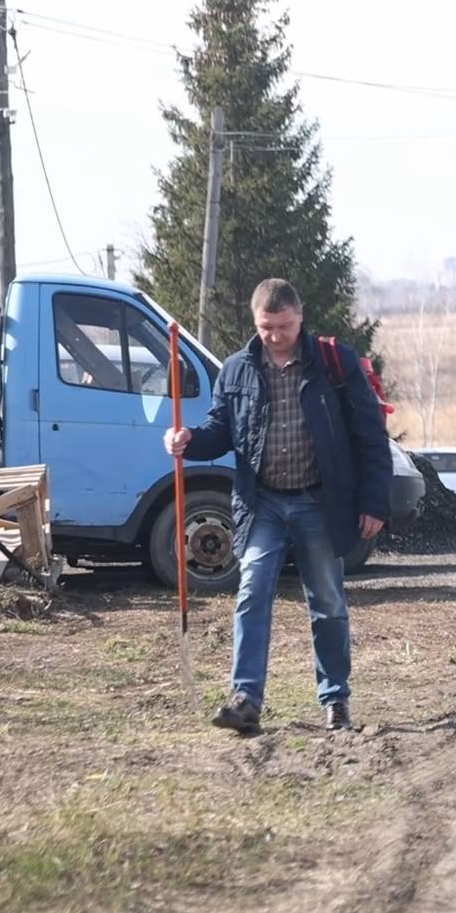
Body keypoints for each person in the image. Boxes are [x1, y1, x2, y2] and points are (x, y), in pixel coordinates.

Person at [164, 278, 392, 734]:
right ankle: (246, 697)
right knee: (252, 593)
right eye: (266, 327)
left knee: (327, 601)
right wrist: (187, 440)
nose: (274, 335)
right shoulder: (236, 370)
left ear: (299, 317)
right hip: (261, 501)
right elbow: (219, 430)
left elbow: (370, 435)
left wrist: (374, 501)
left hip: (319, 503)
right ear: (256, 322)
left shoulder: (334, 364)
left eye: (283, 326)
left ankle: (336, 700)